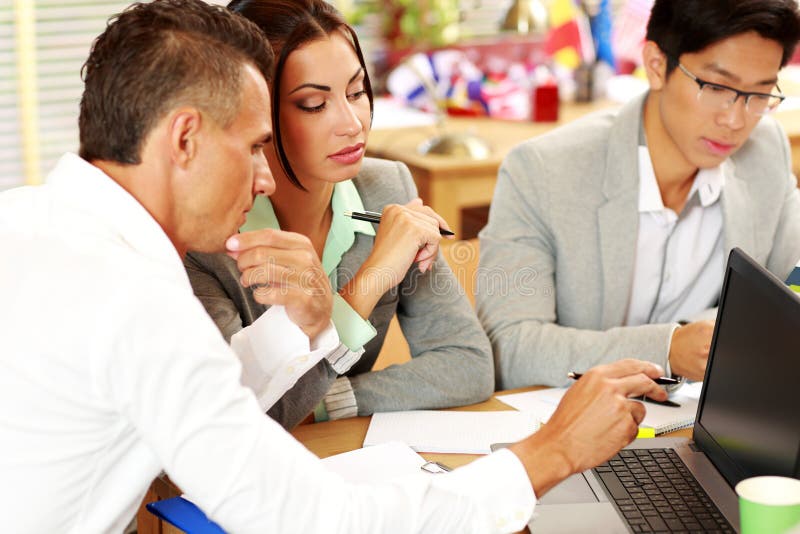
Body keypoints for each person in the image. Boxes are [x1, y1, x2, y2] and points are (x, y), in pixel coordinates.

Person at [0, 0, 670, 531]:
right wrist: (549, 454)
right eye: (257, 145)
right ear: (184, 138)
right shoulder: (141, 299)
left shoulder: (27, 222)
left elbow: (206, 394)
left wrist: (303, 329)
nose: (263, 177)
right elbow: (315, 519)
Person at [184, 0, 493, 428]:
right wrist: (374, 277)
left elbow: (467, 364)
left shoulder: (388, 189)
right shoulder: (202, 241)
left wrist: (334, 401)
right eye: (314, 104)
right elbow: (230, 422)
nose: (353, 123)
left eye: (356, 92)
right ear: (251, 110)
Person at [478, 0, 800, 390]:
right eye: (716, 87)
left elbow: (786, 296)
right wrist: (669, 349)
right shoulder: (543, 171)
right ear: (656, 65)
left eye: (759, 94)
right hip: (572, 430)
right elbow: (509, 350)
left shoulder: (764, 151)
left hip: (700, 428)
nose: (735, 120)